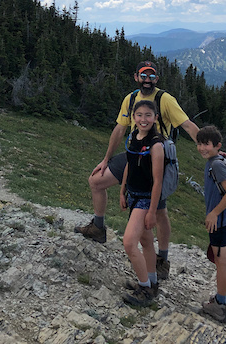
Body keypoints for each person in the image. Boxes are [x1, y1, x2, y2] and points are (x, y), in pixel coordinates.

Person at [75, 61, 199, 280]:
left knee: (159, 213)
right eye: (144, 76)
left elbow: (188, 125)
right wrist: (106, 159)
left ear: (157, 79)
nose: (148, 80)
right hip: (133, 155)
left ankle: (162, 259)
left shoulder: (165, 100)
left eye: (151, 76)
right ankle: (98, 227)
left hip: (155, 160)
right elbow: (120, 128)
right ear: (136, 77)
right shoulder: (130, 99)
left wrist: (212, 150)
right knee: (96, 181)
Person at [119, 99, 164, 306]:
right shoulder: (132, 137)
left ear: (155, 118)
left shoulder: (156, 145)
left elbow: (157, 181)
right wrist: (122, 190)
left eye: (148, 115)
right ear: (134, 117)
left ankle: (144, 288)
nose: (143, 119)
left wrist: (152, 211)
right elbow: (129, 164)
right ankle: (152, 283)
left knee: (129, 243)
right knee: (146, 242)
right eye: (139, 115)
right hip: (133, 195)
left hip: (145, 199)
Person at [196, 125, 226, 323]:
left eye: (207, 144)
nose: (202, 148)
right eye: (200, 144)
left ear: (217, 145)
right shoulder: (218, 159)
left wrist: (213, 213)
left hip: (220, 221)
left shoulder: (217, 165)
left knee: (221, 262)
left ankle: (220, 305)